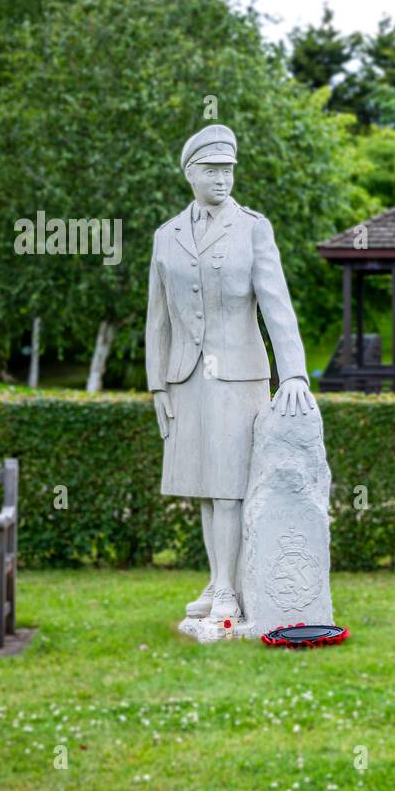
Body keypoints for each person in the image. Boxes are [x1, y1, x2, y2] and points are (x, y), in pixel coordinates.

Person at [145, 124, 316, 620]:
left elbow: (277, 306)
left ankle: (227, 589)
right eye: (212, 171)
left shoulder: (252, 227)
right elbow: (157, 318)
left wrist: (296, 375)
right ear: (190, 173)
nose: (223, 179)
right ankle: (220, 577)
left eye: (229, 170)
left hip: (239, 377)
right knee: (202, 485)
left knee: (229, 486)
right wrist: (158, 383)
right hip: (185, 380)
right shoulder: (166, 235)